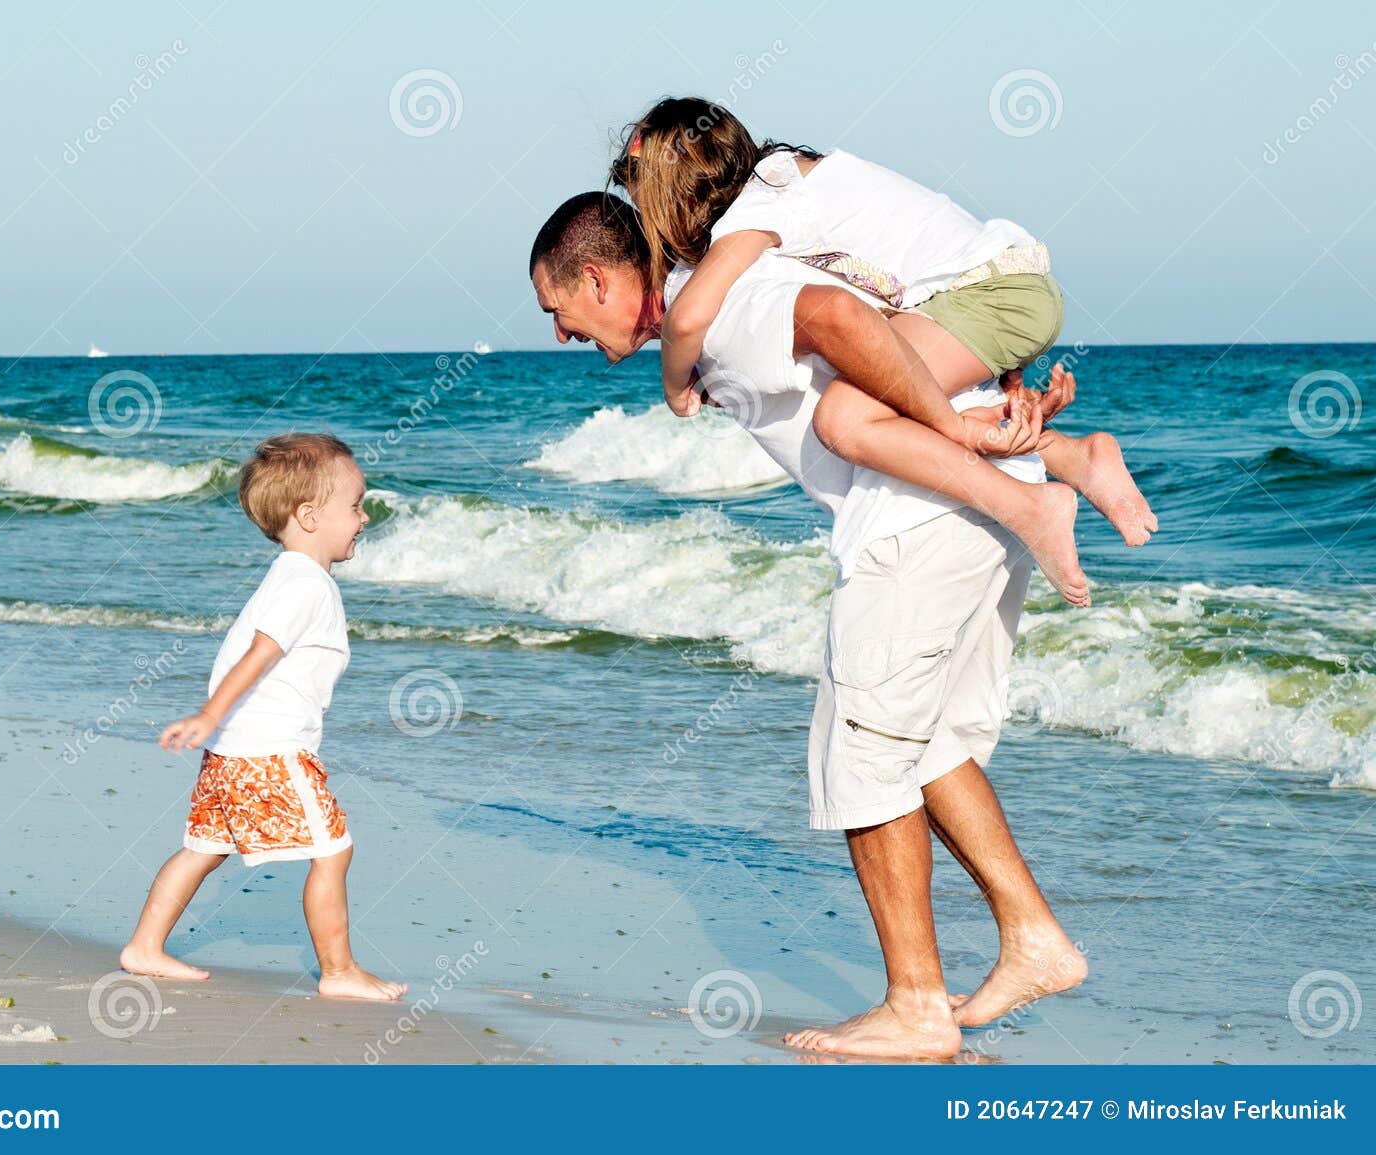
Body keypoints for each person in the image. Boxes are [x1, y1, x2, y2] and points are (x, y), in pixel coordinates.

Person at [530, 192, 1088, 1058]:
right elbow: (894, 308)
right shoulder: (728, 298)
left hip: (915, 521)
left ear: (597, 279)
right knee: (927, 744)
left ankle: (917, 1006)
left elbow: (834, 314)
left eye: (556, 310)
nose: (561, 334)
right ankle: (1034, 936)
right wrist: (995, 407)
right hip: (974, 511)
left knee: (863, 756)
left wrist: (951, 422)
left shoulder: (726, 309)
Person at [611, 97, 1161, 607]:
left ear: (679, 193)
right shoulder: (789, 179)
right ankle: (1074, 457)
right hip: (1007, 284)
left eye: (647, 209)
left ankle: (1032, 508)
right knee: (889, 393)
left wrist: (676, 388)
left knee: (845, 420)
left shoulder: (761, 204)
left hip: (992, 294)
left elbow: (688, 316)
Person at [119, 432, 408, 1002]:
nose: (364, 517)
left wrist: (215, 723)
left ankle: (145, 947)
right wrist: (209, 714)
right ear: (309, 516)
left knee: (203, 848)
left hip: (233, 749)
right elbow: (261, 653)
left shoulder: (289, 575)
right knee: (333, 849)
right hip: (268, 749)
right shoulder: (306, 585)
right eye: (355, 505)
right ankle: (339, 971)